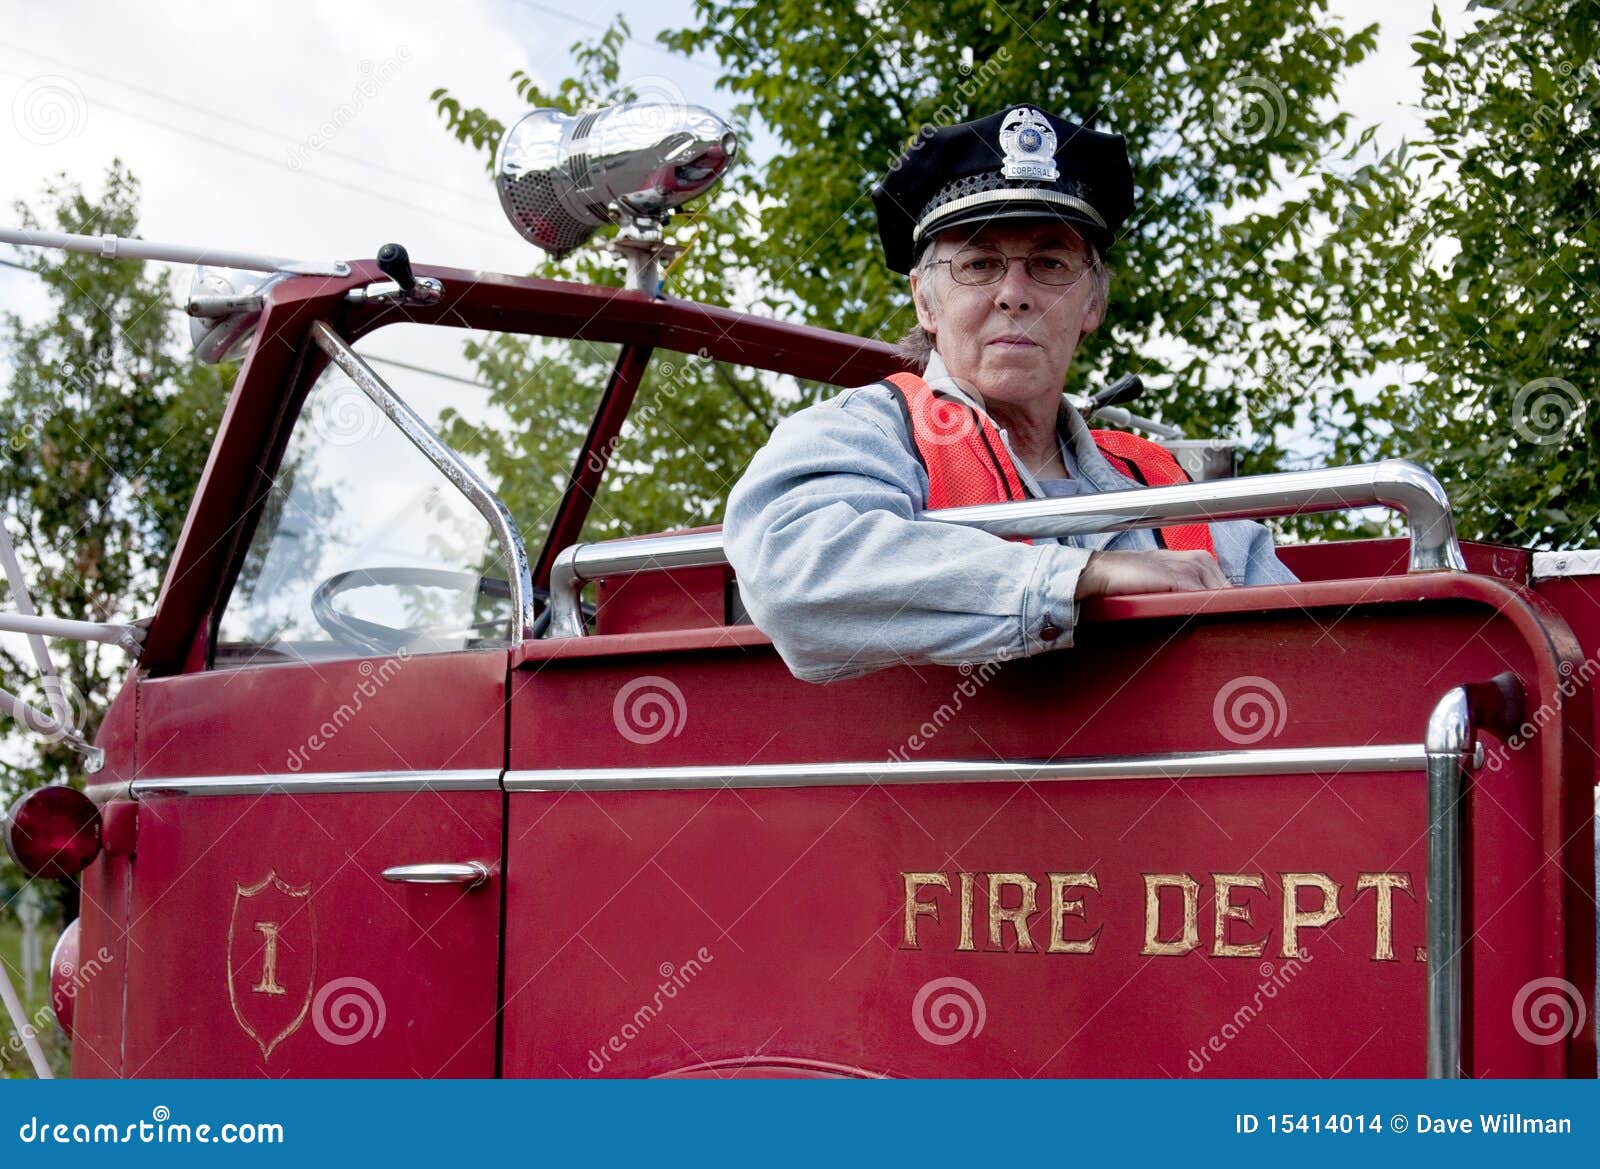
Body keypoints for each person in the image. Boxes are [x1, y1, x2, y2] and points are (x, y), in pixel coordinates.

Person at [724, 105, 1295, 683]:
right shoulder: (863, 433)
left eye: (1049, 263)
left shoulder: (1163, 482)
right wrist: (1082, 574)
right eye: (979, 264)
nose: (1014, 294)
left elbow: (1303, 658)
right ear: (926, 301)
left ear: (1092, 303)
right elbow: (791, 571)